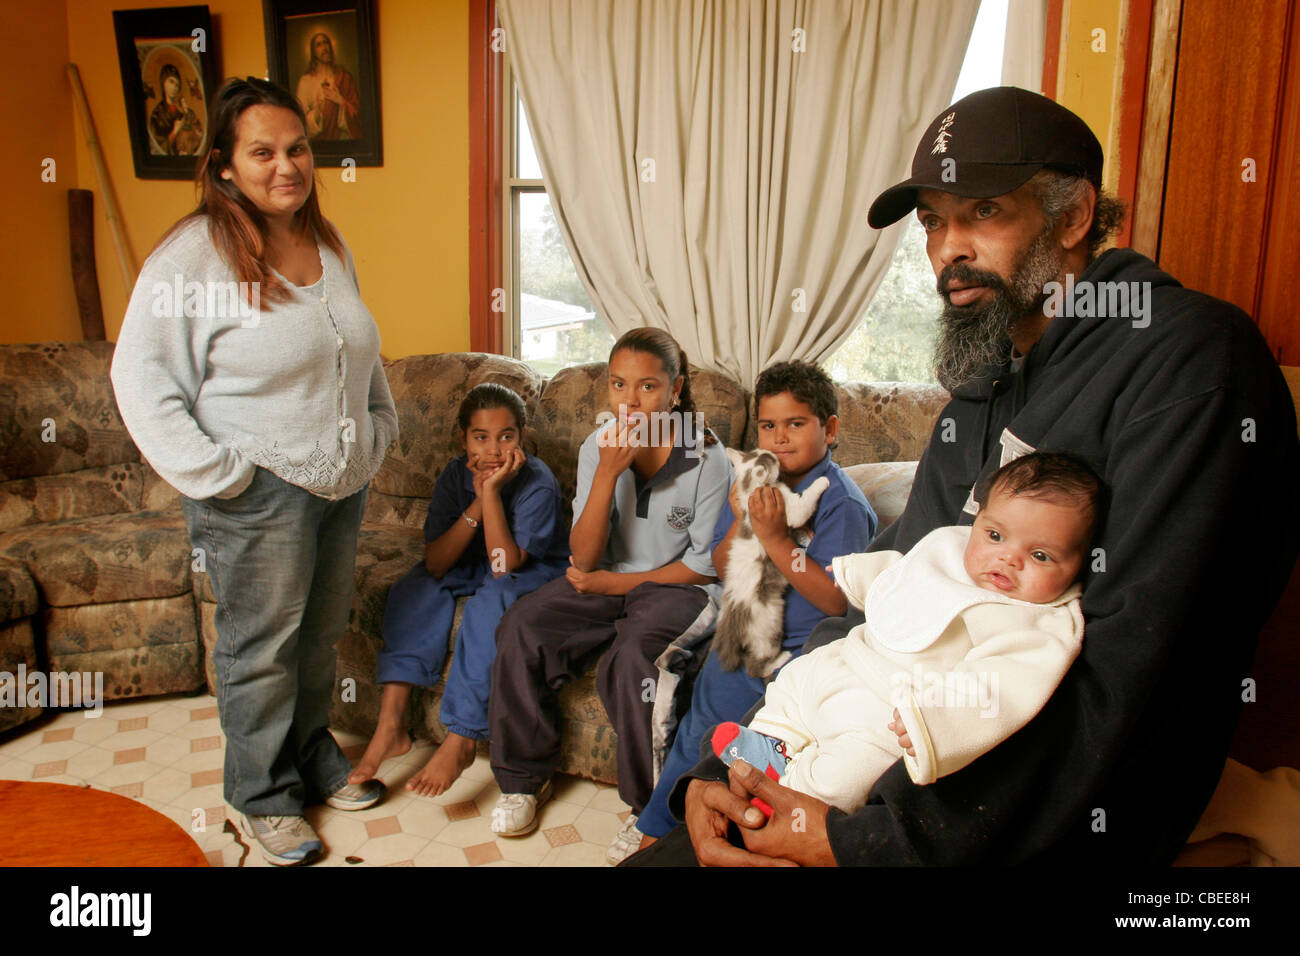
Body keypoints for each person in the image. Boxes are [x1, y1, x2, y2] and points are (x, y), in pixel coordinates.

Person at [626, 86, 1300, 867]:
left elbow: (1134, 689)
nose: (948, 249)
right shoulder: (980, 390)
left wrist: (854, 842)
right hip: (875, 769)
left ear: (1074, 216)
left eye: (983, 212)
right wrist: (739, 766)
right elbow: (887, 611)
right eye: (934, 223)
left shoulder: (1192, 366)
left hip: (1003, 825)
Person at [110, 76, 398, 866]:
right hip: (256, 491)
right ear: (225, 166)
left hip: (339, 483)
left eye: (298, 148)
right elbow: (139, 380)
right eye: (263, 152)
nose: (287, 166)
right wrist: (223, 476)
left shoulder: (327, 242)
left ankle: (311, 758)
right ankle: (260, 796)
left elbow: (354, 346)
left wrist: (379, 427)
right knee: (259, 648)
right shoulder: (192, 255)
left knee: (316, 640)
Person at [713, 452, 1099, 814]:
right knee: (792, 684)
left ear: (1080, 564)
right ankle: (767, 745)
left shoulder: (1040, 623)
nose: (1008, 558)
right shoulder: (953, 546)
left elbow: (1002, 689)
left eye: (1041, 556)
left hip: (891, 708)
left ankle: (793, 791)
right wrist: (858, 575)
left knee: (855, 769)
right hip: (849, 659)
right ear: (979, 520)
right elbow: (907, 571)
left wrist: (936, 724)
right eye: (995, 535)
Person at [487, 328, 732, 838]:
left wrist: (612, 588)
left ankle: (650, 813)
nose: (631, 400)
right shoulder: (598, 446)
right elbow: (582, 555)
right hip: (604, 576)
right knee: (523, 625)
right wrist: (605, 476)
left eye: (647, 387)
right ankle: (522, 780)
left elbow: (704, 567)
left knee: (634, 659)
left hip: (679, 590)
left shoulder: (708, 458)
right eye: (619, 385)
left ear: (676, 389)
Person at [628, 360, 875, 857]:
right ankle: (654, 833)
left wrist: (776, 536)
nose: (780, 438)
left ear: (829, 429)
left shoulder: (840, 505)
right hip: (740, 646)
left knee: (752, 766)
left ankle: (728, 838)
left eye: (796, 424)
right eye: (768, 425)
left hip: (803, 662)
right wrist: (743, 524)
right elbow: (721, 565)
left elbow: (837, 600)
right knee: (698, 740)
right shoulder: (754, 483)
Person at [347, 383, 569, 795]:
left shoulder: (538, 481)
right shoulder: (454, 474)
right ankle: (391, 725)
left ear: (523, 436)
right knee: (416, 588)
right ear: (463, 439)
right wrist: (476, 500)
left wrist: (493, 495)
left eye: (507, 436)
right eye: (480, 437)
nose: (494, 449)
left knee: (491, 603)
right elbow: (437, 562)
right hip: (473, 560)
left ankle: (462, 737)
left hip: (528, 569)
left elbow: (504, 566)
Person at [295, 32, 362, 140]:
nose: (324, 47)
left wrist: (340, 101)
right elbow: (299, 121)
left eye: (326, 43)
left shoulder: (344, 76)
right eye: (319, 44)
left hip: (343, 141)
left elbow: (358, 114)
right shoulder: (306, 81)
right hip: (319, 145)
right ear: (313, 51)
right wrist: (317, 111)